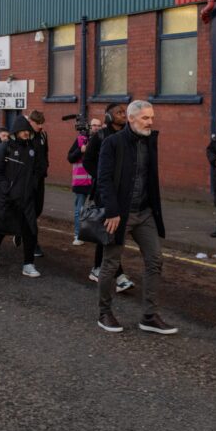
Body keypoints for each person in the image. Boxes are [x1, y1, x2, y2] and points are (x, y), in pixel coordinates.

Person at [96, 100, 177, 335]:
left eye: (151, 118)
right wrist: (112, 211)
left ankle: (149, 317)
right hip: (119, 215)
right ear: (131, 118)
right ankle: (105, 313)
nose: (150, 122)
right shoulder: (112, 143)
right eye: (145, 118)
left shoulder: (150, 141)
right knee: (110, 264)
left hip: (144, 213)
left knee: (155, 260)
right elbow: (103, 178)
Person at [83, 103, 135, 293]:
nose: (123, 115)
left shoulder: (129, 135)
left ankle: (97, 268)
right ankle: (119, 276)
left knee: (106, 233)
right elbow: (87, 160)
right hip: (105, 192)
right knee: (109, 231)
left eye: (124, 112)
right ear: (109, 117)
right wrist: (101, 176)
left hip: (124, 193)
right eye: (119, 113)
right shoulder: (100, 136)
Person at [0, 116, 44, 277]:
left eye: (28, 131)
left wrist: (33, 185)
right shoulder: (6, 147)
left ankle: (28, 264)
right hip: (8, 198)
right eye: (23, 131)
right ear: (16, 132)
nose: (26, 133)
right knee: (1, 228)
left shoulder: (33, 148)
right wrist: (7, 188)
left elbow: (39, 169)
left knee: (30, 231)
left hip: (27, 199)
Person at [67, 127, 93, 245]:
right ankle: (78, 235)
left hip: (95, 183)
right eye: (94, 125)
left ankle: (94, 234)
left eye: (98, 125)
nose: (96, 127)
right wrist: (80, 150)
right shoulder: (79, 140)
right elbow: (70, 158)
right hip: (81, 183)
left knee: (96, 211)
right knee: (80, 210)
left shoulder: (102, 139)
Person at [27, 110, 48, 257]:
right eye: (37, 123)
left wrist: (46, 165)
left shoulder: (43, 135)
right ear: (30, 122)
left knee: (38, 209)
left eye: (42, 123)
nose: (40, 126)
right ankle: (33, 243)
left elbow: (45, 152)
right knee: (30, 212)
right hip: (28, 180)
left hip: (40, 179)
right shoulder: (25, 136)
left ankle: (22, 232)